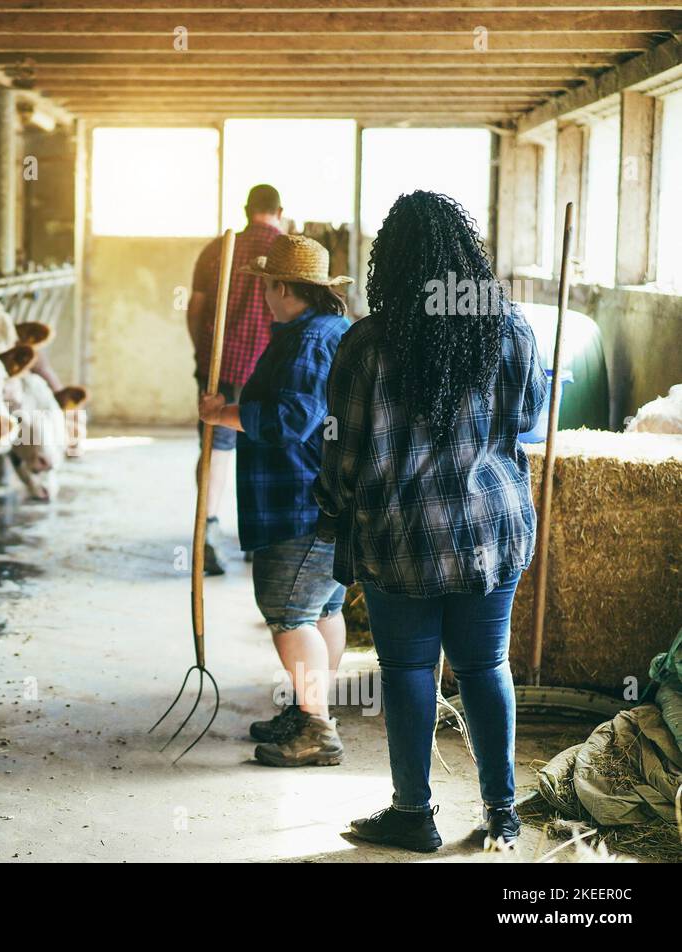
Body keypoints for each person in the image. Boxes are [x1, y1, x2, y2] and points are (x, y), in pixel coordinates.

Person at [314, 191, 548, 852]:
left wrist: (333, 511)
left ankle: (413, 813)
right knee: (485, 666)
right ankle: (502, 813)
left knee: (409, 672)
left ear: (389, 264)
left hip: (400, 539)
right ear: (467, 257)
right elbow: (527, 419)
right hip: (490, 533)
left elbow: (346, 451)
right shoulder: (509, 328)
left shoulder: (366, 345)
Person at [198, 234, 352, 767]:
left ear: (283, 286)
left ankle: (317, 728)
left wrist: (222, 415)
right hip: (325, 498)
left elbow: (292, 419)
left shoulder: (308, 341)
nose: (262, 293)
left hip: (300, 501)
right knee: (323, 608)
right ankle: (311, 710)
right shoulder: (325, 330)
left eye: (266, 284)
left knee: (289, 613)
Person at [187, 184, 283, 575]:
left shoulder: (217, 249)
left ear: (247, 210)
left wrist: (203, 353)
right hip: (272, 367)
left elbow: (194, 309)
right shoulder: (289, 250)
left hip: (220, 368)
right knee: (266, 447)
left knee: (216, 446)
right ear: (280, 210)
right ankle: (259, 540)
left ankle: (206, 533)